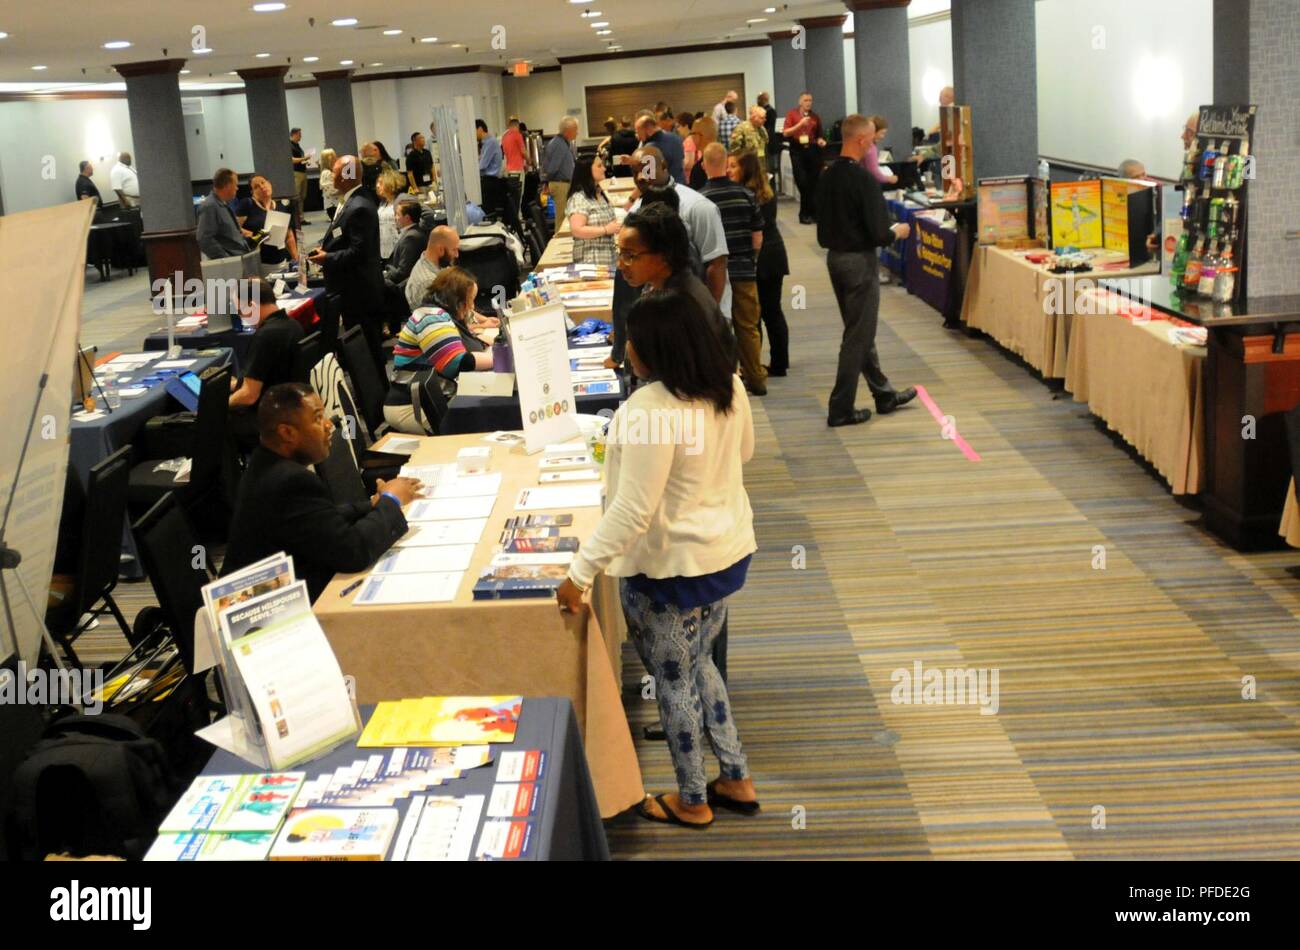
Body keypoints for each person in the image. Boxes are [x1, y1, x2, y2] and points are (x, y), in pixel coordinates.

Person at [556, 287, 759, 829]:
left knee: (673, 681)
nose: (625, 347)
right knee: (702, 666)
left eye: (632, 339)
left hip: (670, 569)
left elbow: (632, 512)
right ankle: (734, 773)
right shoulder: (729, 388)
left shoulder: (649, 409)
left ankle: (693, 799)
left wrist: (579, 573)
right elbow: (743, 456)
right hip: (724, 553)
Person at [224, 383, 420, 602]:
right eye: (317, 418)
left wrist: (372, 505)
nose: (329, 425)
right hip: (263, 612)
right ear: (287, 432)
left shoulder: (265, 463)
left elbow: (322, 519)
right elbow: (354, 551)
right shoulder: (289, 481)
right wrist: (391, 500)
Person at [815, 115, 918, 428]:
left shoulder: (827, 175)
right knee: (858, 337)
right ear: (860, 140)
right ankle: (840, 408)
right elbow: (878, 232)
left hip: (835, 259)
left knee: (859, 330)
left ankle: (883, 393)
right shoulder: (862, 180)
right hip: (859, 262)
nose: (873, 144)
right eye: (872, 139)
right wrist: (898, 231)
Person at [614, 204, 734, 362]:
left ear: (664, 256)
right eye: (619, 252)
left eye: (629, 255)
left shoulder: (678, 308)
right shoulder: (666, 285)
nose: (620, 264)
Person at [384, 266, 496, 434]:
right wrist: (501, 357)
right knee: (483, 423)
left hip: (428, 395)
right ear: (457, 300)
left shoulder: (437, 312)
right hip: (412, 405)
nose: (472, 305)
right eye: (470, 300)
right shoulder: (431, 318)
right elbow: (456, 363)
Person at [630, 145, 730, 314]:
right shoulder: (635, 211)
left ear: (663, 166)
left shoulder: (698, 206)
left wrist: (710, 316)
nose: (641, 177)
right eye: (635, 171)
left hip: (701, 313)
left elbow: (716, 263)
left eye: (648, 169)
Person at [308, 155, 385, 371]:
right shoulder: (352, 201)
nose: (331, 177)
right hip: (354, 290)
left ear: (346, 176)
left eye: (335, 172)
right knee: (363, 348)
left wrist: (327, 258)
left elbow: (358, 252)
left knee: (368, 350)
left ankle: (377, 398)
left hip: (360, 292)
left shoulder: (359, 206)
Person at [700, 143, 765, 395]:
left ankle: (726, 381)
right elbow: (757, 239)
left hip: (714, 275)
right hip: (744, 270)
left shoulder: (700, 199)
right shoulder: (746, 195)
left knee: (718, 327)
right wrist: (750, 259)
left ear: (704, 165)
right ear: (727, 163)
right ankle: (756, 378)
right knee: (748, 326)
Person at [228, 280, 304, 450]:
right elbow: (273, 372)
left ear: (252, 305)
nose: (241, 317)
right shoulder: (293, 325)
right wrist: (236, 384)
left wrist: (221, 403)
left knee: (213, 421)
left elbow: (249, 395)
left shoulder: (266, 336)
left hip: (272, 418)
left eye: (240, 311)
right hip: (294, 408)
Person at [732, 151, 789, 377]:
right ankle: (779, 361)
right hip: (775, 254)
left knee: (754, 314)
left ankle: (753, 364)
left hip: (760, 257)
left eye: (734, 167)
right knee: (772, 311)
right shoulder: (766, 193)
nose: (730, 171)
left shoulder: (746, 196)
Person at [234, 174, 300, 276]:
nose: (261, 187)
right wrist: (249, 234)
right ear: (252, 192)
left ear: (269, 184)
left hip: (281, 262)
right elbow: (234, 228)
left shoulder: (281, 207)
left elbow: (289, 236)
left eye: (263, 182)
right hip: (258, 263)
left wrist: (296, 259)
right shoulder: (247, 204)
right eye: (256, 186)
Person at [566, 155, 620, 266]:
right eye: (599, 166)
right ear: (587, 171)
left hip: (607, 259)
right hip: (591, 263)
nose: (604, 169)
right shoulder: (579, 198)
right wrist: (605, 229)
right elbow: (577, 230)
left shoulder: (599, 193)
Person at [784, 92, 826, 224]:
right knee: (802, 183)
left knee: (813, 183)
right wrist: (800, 124)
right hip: (797, 151)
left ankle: (809, 214)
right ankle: (805, 213)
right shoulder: (792, 114)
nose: (809, 103)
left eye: (810, 100)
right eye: (806, 100)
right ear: (800, 102)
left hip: (812, 150)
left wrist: (820, 141)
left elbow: (819, 135)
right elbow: (786, 132)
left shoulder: (815, 117)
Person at [195, 168, 249, 260]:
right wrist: (226, 259)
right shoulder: (209, 206)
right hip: (229, 265)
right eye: (235, 184)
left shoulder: (223, 204)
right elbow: (204, 239)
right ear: (227, 185)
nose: (237, 188)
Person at [405, 225, 460, 310]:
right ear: (440, 249)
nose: (457, 254)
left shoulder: (439, 264)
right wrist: (482, 323)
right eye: (454, 250)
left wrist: (485, 320)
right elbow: (440, 321)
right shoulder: (428, 282)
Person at [631, 110, 685, 185]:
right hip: (681, 185)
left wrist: (632, 197)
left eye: (638, 132)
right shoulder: (676, 138)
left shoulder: (650, 149)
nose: (637, 137)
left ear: (648, 129)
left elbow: (647, 179)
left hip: (664, 190)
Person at [541, 116, 578, 223]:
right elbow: (552, 168)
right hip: (560, 184)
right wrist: (546, 182)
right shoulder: (559, 144)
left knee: (564, 217)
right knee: (562, 219)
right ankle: (558, 238)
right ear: (568, 131)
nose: (577, 132)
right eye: (575, 129)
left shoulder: (561, 143)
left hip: (561, 184)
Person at [385, 196, 426, 288]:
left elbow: (403, 272)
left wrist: (384, 275)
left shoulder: (411, 237)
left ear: (407, 218)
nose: (395, 218)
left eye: (397, 214)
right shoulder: (413, 233)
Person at [375, 168, 405, 261]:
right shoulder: (383, 203)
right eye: (377, 183)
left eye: (381, 183)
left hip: (398, 249)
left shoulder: (401, 201)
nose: (377, 186)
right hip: (383, 250)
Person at [861, 115, 897, 186]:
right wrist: (890, 178)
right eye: (882, 133)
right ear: (874, 131)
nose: (883, 136)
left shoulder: (863, 145)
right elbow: (874, 174)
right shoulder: (871, 148)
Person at [501, 118, 528, 210]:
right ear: (517, 126)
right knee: (519, 196)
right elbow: (523, 152)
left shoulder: (504, 137)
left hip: (508, 170)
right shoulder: (518, 135)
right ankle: (518, 217)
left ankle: (513, 218)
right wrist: (529, 160)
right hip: (518, 169)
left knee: (512, 197)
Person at [687, 116, 717, 191]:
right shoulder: (727, 160)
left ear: (699, 136)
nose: (691, 137)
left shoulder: (699, 168)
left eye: (692, 134)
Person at [757, 92, 778, 176]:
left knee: (768, 165)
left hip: (767, 142)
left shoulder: (768, 111)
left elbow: (768, 128)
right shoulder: (771, 110)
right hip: (768, 141)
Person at [290, 128, 309, 212]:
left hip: (302, 172)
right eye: (299, 134)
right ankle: (298, 218)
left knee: (302, 196)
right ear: (294, 134)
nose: (301, 136)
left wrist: (305, 162)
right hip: (296, 173)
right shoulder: (290, 145)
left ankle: (301, 217)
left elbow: (299, 159)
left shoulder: (297, 145)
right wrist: (304, 158)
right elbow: (292, 160)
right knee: (297, 196)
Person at [318, 148, 339, 219]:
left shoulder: (331, 171)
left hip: (335, 204)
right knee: (337, 228)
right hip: (333, 205)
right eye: (334, 158)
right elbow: (331, 191)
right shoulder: (326, 173)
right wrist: (344, 189)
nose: (336, 159)